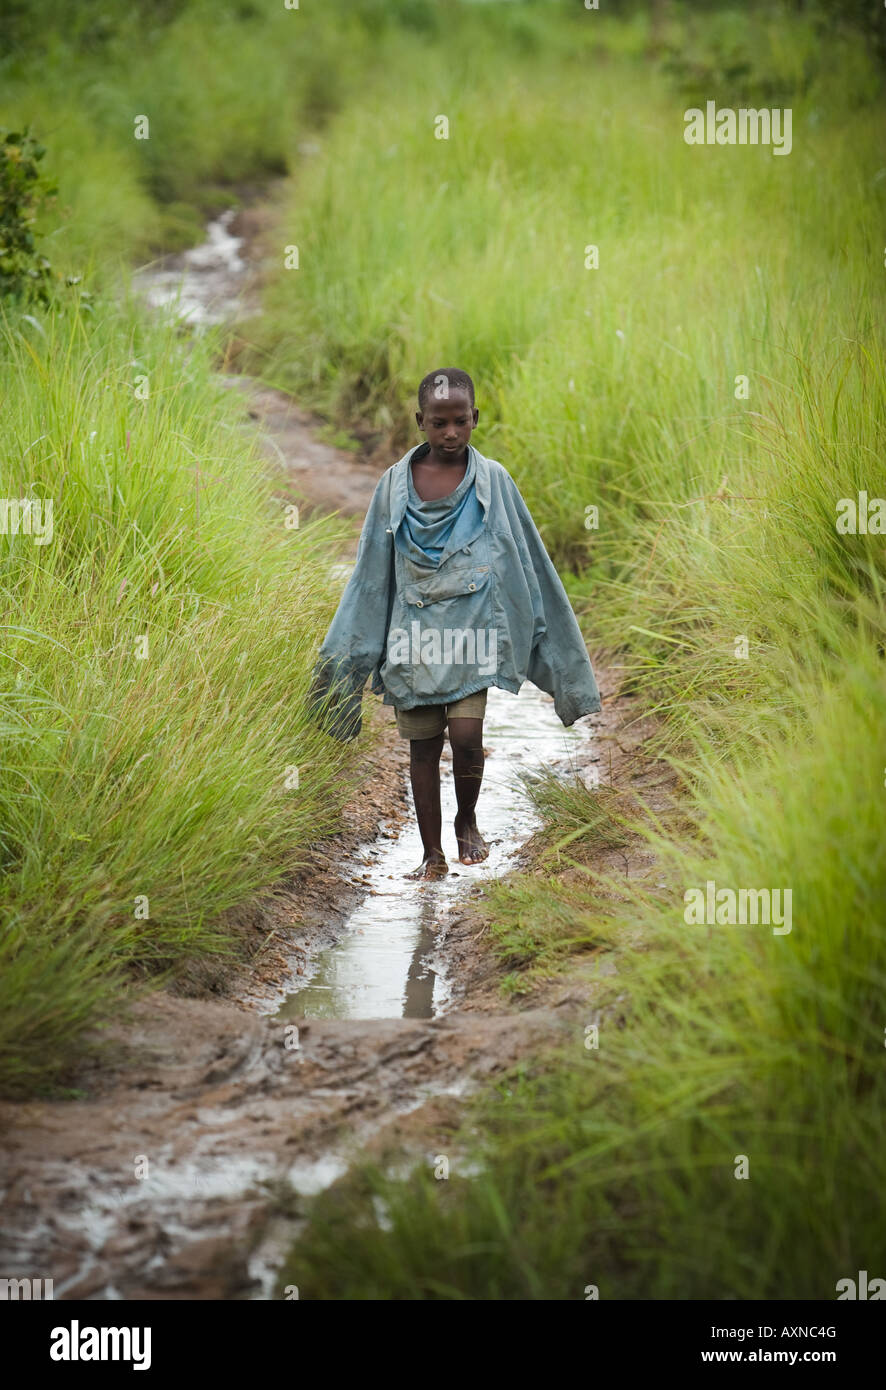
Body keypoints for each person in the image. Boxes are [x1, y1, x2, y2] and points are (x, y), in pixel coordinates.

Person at [310, 367, 601, 879]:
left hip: (473, 637)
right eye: (439, 423)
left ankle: (467, 819)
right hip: (413, 642)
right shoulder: (393, 487)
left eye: (460, 422)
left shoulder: (494, 483)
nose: (450, 433)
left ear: (475, 420)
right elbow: (371, 577)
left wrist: (550, 653)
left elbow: (527, 562)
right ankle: (431, 854)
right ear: (420, 421)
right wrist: (352, 660)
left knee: (466, 737)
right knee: (422, 748)